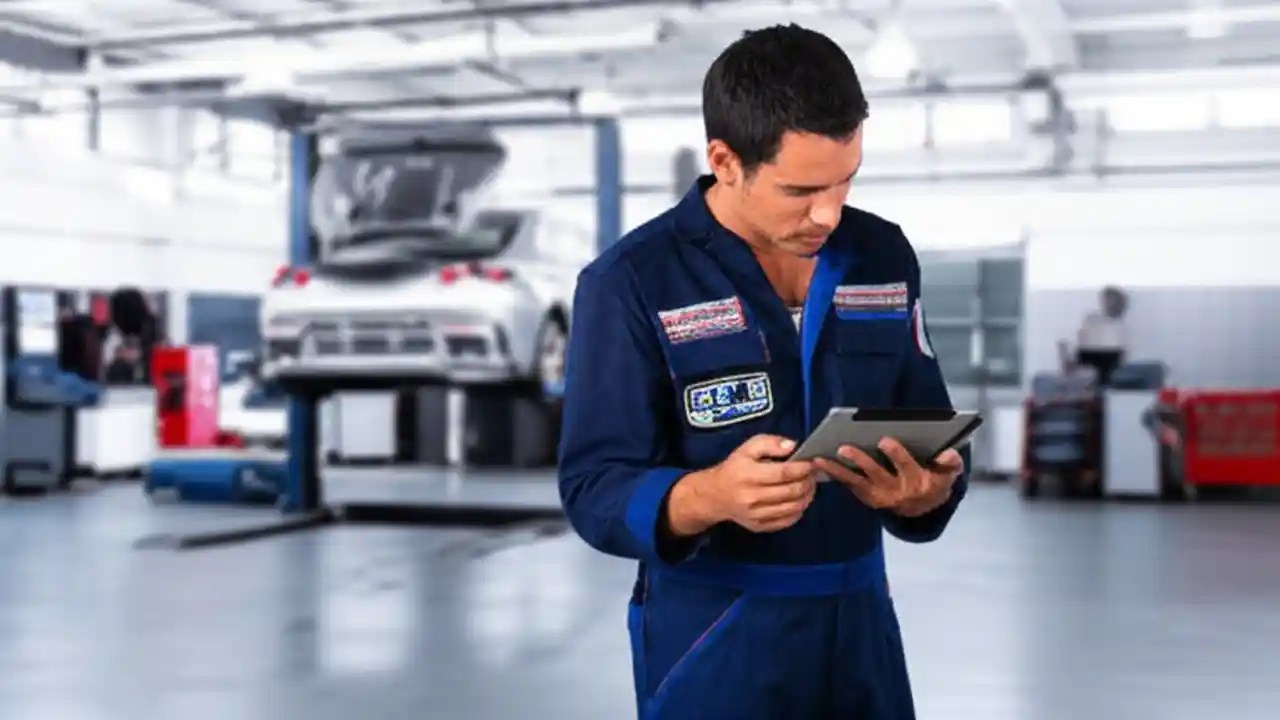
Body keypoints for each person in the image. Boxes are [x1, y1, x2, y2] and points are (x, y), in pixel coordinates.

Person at [557, 24, 967, 720]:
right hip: (715, 636)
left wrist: (925, 494)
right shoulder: (632, 282)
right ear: (725, 161)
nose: (829, 214)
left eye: (846, 181)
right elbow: (593, 486)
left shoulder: (882, 256)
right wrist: (705, 496)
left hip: (861, 622)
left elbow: (931, 426)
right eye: (801, 189)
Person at [1059, 285, 1128, 384]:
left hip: (1103, 364)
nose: (1106, 303)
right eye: (1106, 300)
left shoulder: (1118, 328)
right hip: (1088, 360)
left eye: (1110, 300)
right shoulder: (1093, 319)